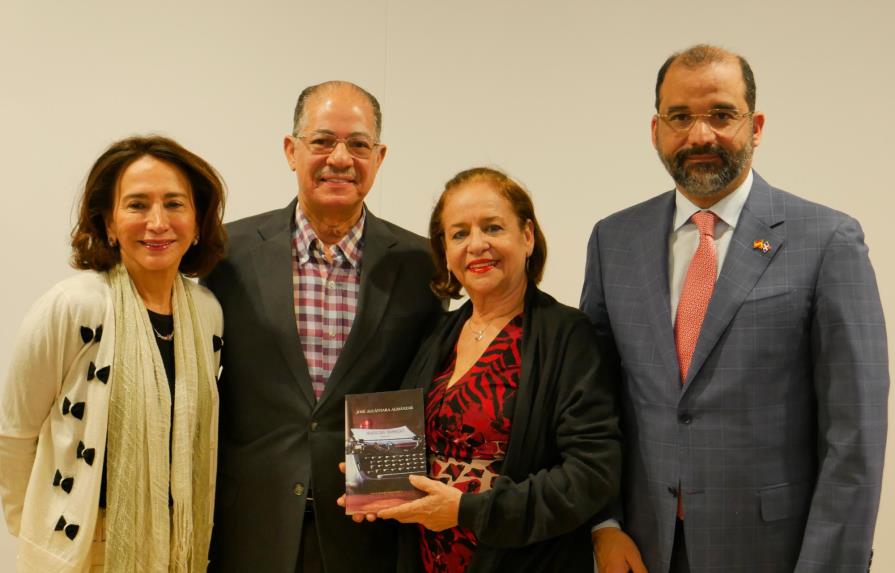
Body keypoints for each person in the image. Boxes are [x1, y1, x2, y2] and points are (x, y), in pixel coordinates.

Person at [581, 44, 889, 573]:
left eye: (722, 115)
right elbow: (591, 403)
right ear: (655, 130)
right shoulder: (614, 240)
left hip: (774, 552)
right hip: (643, 547)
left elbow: (855, 436)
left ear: (757, 126)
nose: (701, 135)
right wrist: (603, 524)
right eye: (680, 117)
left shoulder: (828, 240)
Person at [203, 81, 442, 572]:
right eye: (322, 141)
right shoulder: (226, 253)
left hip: (371, 530)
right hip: (250, 526)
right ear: (292, 150)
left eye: (358, 144)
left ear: (379, 157)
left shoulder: (424, 265)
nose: (340, 158)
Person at [375, 167, 621, 572]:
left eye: (492, 227)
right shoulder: (440, 334)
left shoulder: (567, 336)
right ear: (445, 251)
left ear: (527, 237)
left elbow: (591, 473)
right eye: (459, 233)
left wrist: (469, 511)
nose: (476, 245)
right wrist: (378, 475)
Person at [0, 135, 227, 572]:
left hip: (175, 542)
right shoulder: (73, 306)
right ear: (108, 222)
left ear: (198, 222)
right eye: (137, 205)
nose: (157, 222)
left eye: (175, 204)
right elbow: (14, 435)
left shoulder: (207, 314)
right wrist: (39, 534)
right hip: (83, 547)